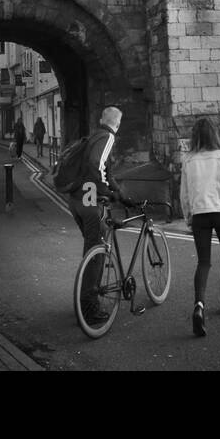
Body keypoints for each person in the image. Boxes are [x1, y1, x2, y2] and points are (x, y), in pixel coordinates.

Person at [180, 117, 220, 338]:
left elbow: (184, 194)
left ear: (194, 136)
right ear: (214, 134)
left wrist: (188, 216)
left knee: (203, 262)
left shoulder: (188, 160)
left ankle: (199, 306)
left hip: (200, 214)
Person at [67, 107, 123, 327]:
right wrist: (107, 191)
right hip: (91, 203)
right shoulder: (108, 136)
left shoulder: (93, 136)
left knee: (92, 250)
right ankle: (89, 307)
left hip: (76, 201)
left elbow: (106, 170)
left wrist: (118, 192)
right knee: (97, 254)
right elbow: (95, 165)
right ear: (117, 124)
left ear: (101, 119)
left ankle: (85, 300)